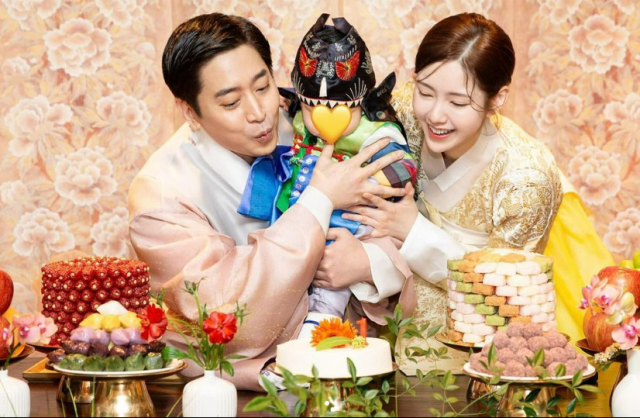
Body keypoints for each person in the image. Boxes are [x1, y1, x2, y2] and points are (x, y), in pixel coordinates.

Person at [127, 13, 412, 391]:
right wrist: (320, 201)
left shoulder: (310, 126)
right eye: (231, 102)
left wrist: (366, 263)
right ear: (189, 111)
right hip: (238, 387)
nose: (259, 112)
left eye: (263, 87)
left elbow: (393, 224)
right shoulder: (161, 195)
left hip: (345, 368)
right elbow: (223, 309)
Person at [343, 13, 614, 373]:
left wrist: (413, 232)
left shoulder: (526, 178)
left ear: (497, 98)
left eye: (458, 103)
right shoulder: (402, 113)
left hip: (473, 364)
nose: (435, 115)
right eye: (425, 91)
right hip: (381, 336)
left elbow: (507, 299)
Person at [238, 13, 418, 338]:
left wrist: (366, 185)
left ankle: (324, 316)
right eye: (310, 110)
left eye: (340, 110)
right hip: (303, 210)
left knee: (333, 260)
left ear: (361, 103)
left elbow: (402, 167)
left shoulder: (376, 133)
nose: (322, 120)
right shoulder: (297, 120)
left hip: (355, 219)